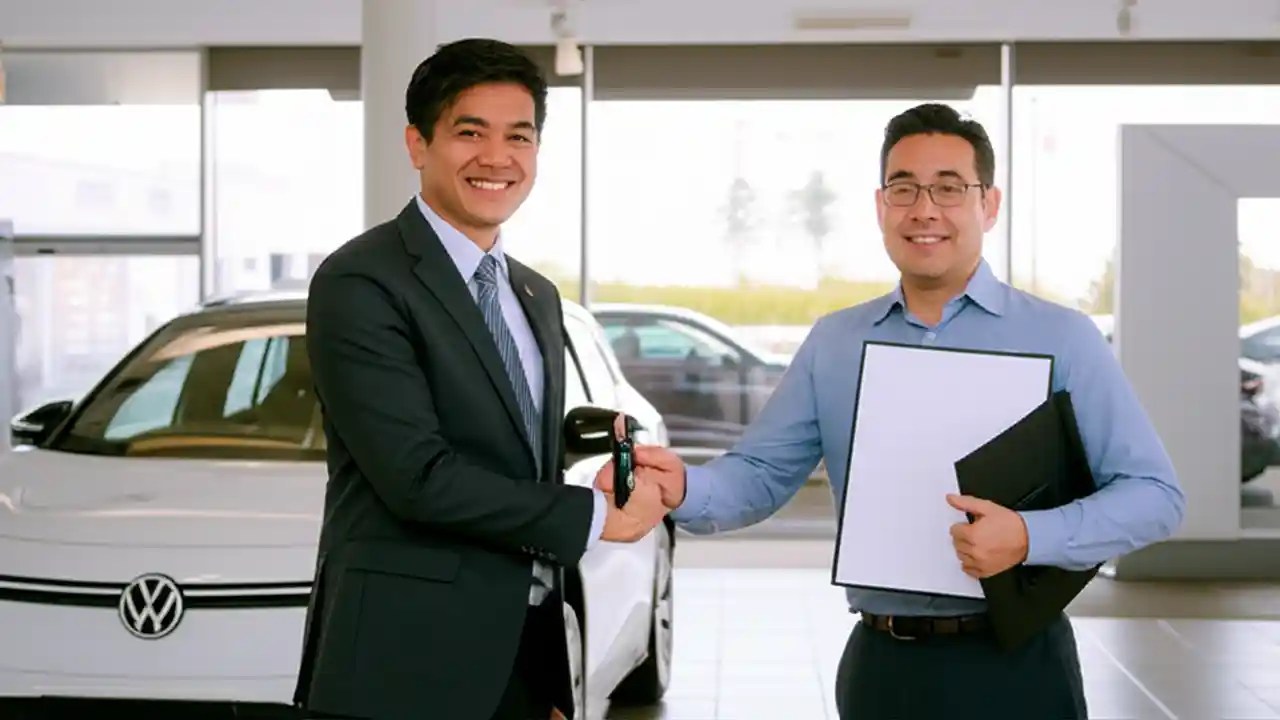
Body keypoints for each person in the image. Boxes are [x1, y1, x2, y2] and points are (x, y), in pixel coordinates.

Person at [600, 103, 1186, 719]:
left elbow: (1154, 495)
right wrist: (682, 486)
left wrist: (1028, 535)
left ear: (989, 205)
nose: (924, 209)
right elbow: (761, 474)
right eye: (903, 188)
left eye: (949, 188)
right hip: (882, 669)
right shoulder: (836, 342)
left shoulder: (1062, 338)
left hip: (1017, 667)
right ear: (881, 207)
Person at [294, 38, 667, 720]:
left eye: (518, 137)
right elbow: (417, 478)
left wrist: (548, 679)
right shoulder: (362, 281)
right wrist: (595, 519)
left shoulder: (536, 294)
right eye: (471, 132)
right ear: (417, 143)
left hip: (521, 659)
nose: (497, 158)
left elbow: (524, 470)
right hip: (403, 660)